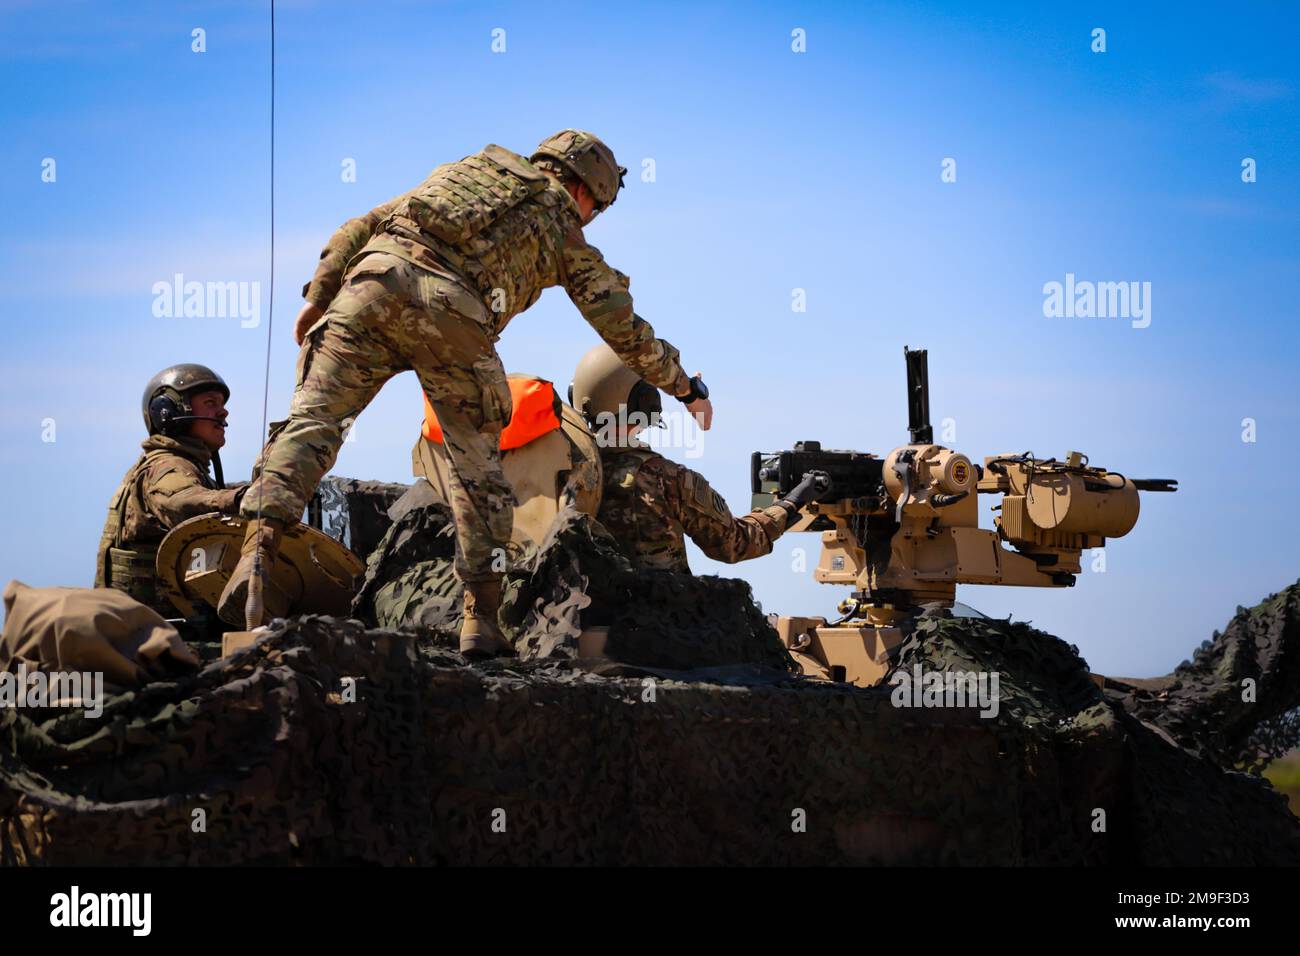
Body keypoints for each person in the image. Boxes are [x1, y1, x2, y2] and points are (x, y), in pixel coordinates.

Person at [218, 130, 713, 659]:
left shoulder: (465, 171)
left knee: (310, 429)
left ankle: (255, 570)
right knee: (476, 471)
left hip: (368, 285)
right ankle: (481, 621)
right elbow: (623, 328)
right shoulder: (563, 226)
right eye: (598, 207)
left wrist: (320, 294)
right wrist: (686, 387)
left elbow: (360, 225)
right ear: (586, 188)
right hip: (452, 313)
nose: (592, 218)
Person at [569, 344, 828, 573]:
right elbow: (735, 544)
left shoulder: (566, 468)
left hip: (578, 616)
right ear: (644, 399)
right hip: (654, 621)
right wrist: (792, 502)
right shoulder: (666, 478)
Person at [95, 364, 243, 617]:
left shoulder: (184, 465)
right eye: (210, 402)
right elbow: (184, 502)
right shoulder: (167, 466)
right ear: (170, 411)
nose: (223, 411)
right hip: (150, 635)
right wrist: (246, 499)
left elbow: (204, 492)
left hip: (153, 627)